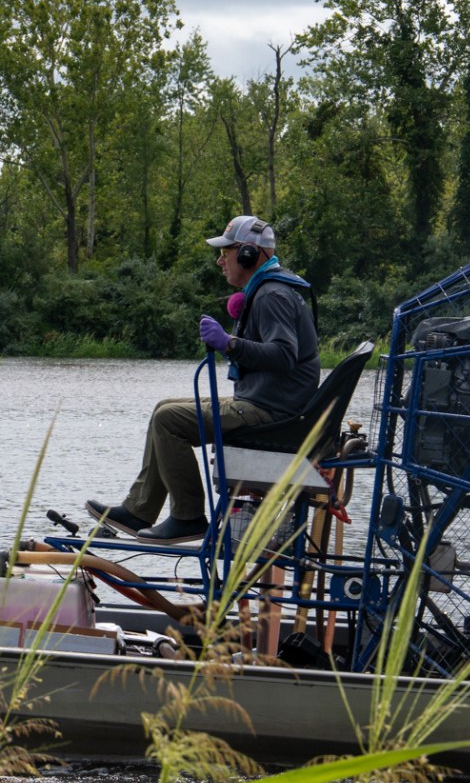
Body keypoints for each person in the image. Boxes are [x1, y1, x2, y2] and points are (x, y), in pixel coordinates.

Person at [86, 215, 319, 543]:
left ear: (249, 255)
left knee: (169, 420)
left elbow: (284, 355)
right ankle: (140, 510)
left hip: (272, 413)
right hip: (271, 404)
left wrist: (229, 343)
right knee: (163, 408)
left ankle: (189, 517)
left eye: (227, 252)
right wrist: (233, 345)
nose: (220, 260)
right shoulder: (271, 290)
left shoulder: (272, 296)